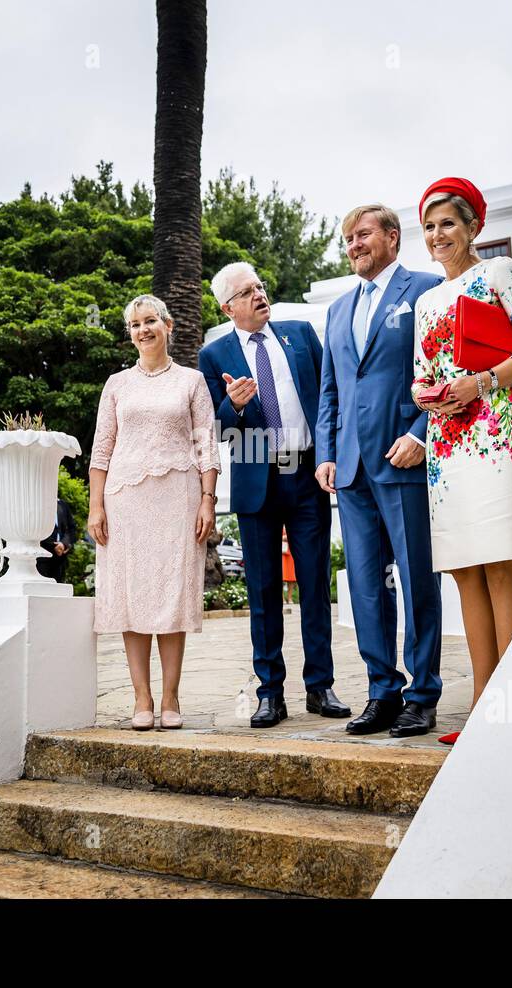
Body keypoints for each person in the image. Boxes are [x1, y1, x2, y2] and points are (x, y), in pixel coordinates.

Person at [411, 177, 512, 745]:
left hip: (496, 429)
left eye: (448, 223)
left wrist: (482, 382)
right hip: (445, 442)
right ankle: (482, 703)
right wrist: (430, 394)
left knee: (499, 563)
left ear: (474, 227)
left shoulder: (500, 273)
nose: (438, 235)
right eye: (429, 226)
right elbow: (423, 372)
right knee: (465, 567)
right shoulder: (425, 300)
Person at [315, 204, 445, 738]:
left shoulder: (428, 290)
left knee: (416, 578)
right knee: (367, 585)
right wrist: (326, 452)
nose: (353, 245)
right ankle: (382, 691)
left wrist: (420, 432)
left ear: (393, 237)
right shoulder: (338, 309)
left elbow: (445, 369)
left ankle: (422, 694)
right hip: (350, 469)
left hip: (403, 456)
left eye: (363, 234)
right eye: (347, 238)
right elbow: (330, 390)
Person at [199, 262, 346, 729]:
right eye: (247, 292)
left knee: (315, 585)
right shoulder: (214, 353)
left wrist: (330, 454)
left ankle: (321, 687)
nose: (259, 295)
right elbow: (214, 426)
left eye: (260, 286)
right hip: (255, 480)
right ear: (228, 307)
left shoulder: (300, 335)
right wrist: (234, 405)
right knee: (262, 593)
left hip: (306, 474)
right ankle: (270, 693)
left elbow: (329, 398)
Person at [88, 294, 220, 731]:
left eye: (150, 321)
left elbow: (206, 445)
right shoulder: (116, 385)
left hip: (178, 500)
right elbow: (101, 449)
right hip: (125, 502)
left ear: (168, 326)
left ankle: (170, 696)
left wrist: (207, 499)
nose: (143, 329)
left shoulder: (192, 381)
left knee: (171, 594)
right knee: (132, 597)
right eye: (135, 324)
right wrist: (95, 507)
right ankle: (141, 697)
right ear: (130, 334)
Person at [36, 497, 75, 583]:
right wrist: (53, 545)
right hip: (42, 555)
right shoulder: (38, 504)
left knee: (59, 587)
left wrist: (64, 544)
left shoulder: (62, 504)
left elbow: (71, 528)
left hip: (60, 557)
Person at [280, 527, 296, 603]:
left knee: (291, 577)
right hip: (282, 553)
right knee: (281, 576)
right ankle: (282, 598)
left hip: (291, 553)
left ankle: (290, 598)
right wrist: (283, 537)